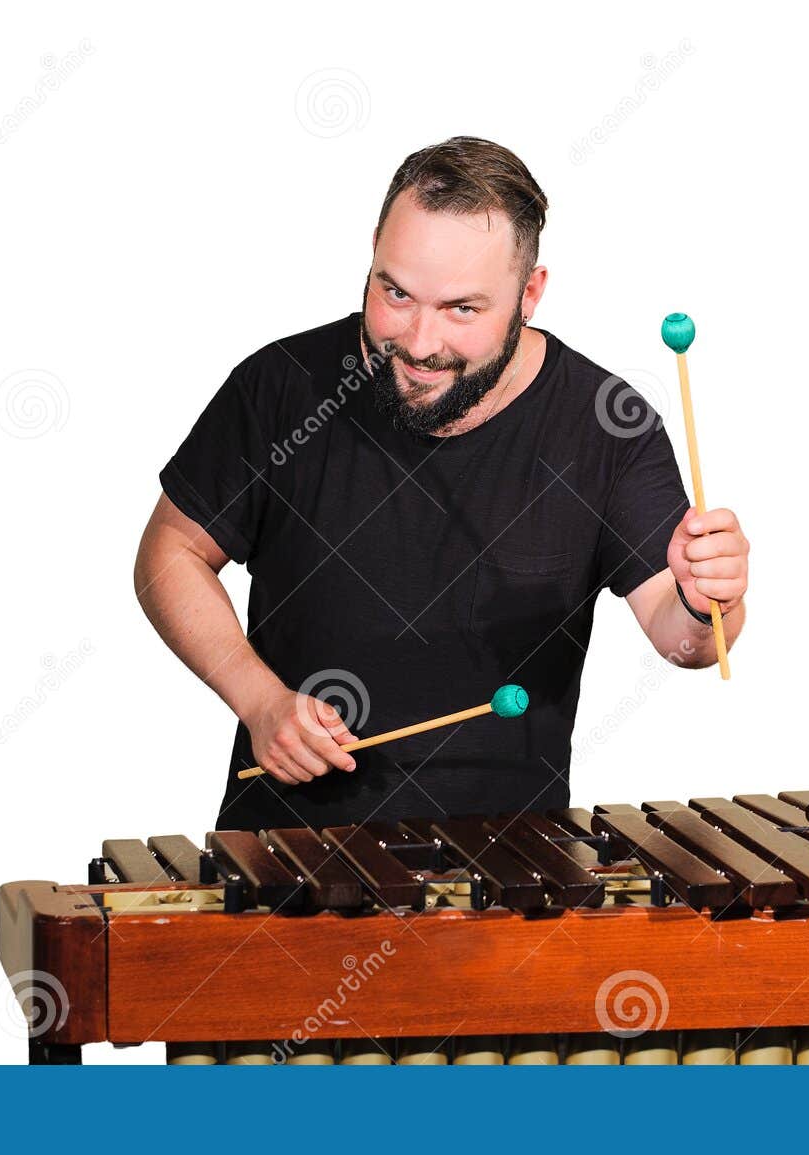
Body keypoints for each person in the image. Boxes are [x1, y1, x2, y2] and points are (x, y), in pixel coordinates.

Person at [134, 137, 748, 831]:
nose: (419, 342)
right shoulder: (281, 387)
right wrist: (258, 699)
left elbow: (683, 639)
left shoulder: (607, 426)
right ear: (372, 252)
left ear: (529, 295)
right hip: (283, 864)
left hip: (510, 880)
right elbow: (169, 554)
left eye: (462, 309)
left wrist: (705, 605)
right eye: (395, 291)